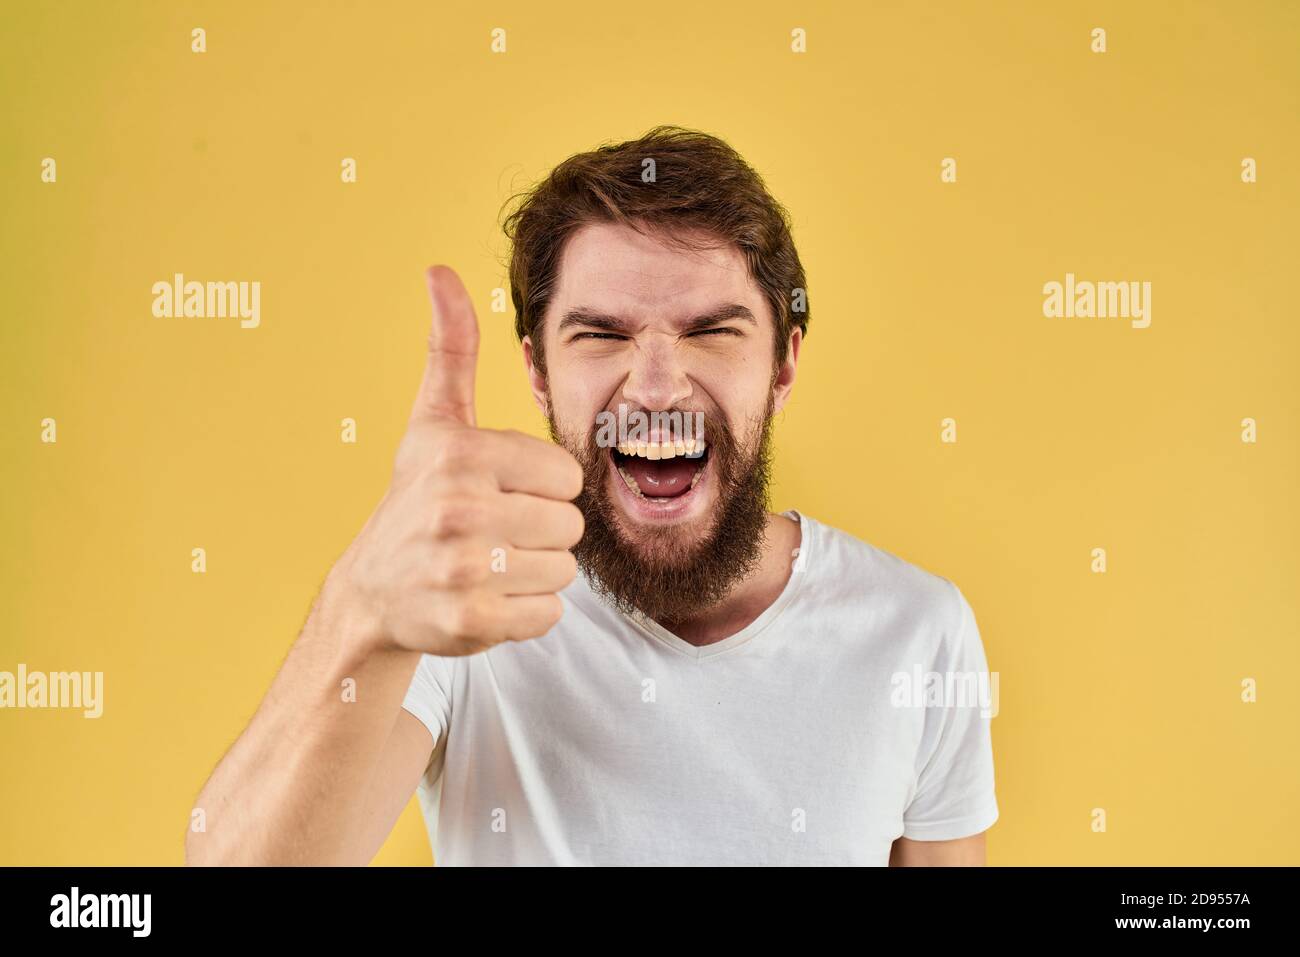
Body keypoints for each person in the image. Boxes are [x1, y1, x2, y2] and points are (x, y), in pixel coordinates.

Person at [186, 127, 998, 866]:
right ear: (539, 370)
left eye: (712, 331)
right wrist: (362, 611)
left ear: (783, 366)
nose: (654, 386)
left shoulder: (918, 630)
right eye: (602, 334)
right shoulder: (462, 610)